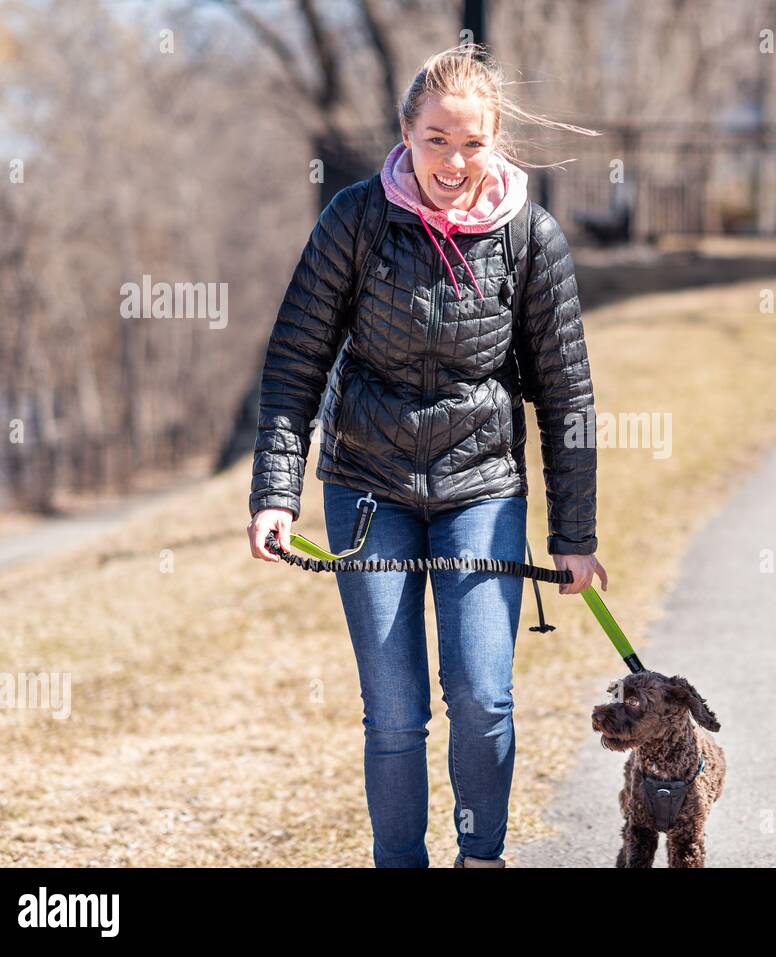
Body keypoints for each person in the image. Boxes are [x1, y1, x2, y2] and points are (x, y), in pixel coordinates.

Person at [247, 43, 607, 868]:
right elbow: (297, 356)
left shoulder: (530, 235)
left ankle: (482, 855)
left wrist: (573, 533)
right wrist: (275, 489)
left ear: (497, 141)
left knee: (482, 695)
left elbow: (566, 395)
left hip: (482, 488)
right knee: (395, 710)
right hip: (368, 488)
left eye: (472, 143)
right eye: (436, 139)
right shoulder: (357, 218)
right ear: (405, 132)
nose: (454, 161)